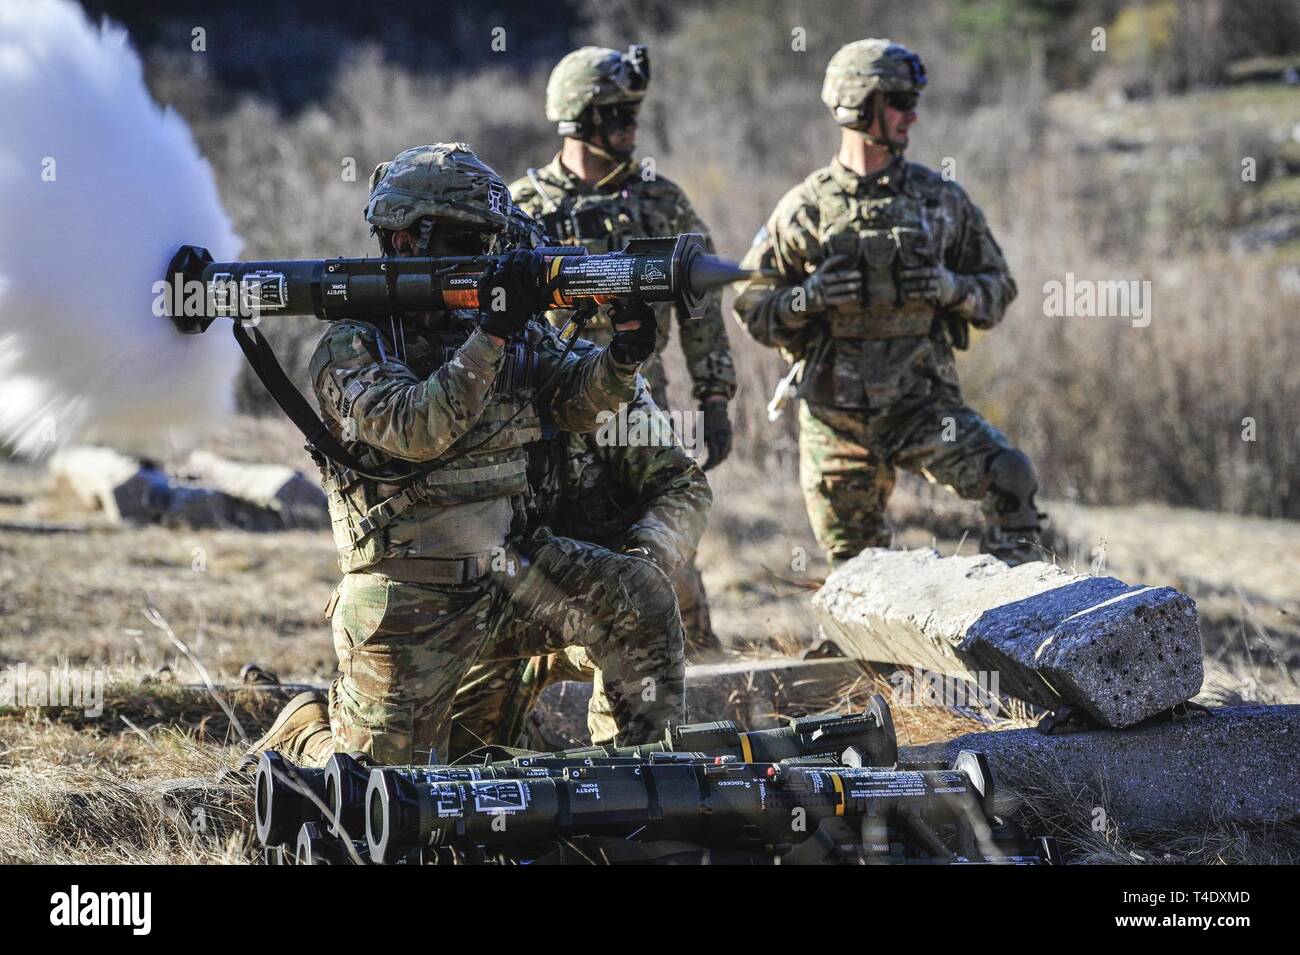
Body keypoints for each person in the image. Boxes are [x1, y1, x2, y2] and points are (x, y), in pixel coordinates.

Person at [245, 143, 684, 768]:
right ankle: (307, 732)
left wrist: (623, 356)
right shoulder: (350, 345)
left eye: (490, 242)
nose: (484, 258)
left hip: (508, 577)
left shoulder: (502, 324)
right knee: (384, 795)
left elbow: (573, 403)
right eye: (465, 240)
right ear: (402, 240)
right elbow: (417, 427)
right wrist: (493, 334)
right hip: (405, 601)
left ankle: (638, 786)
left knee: (639, 598)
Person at [733, 39, 1044, 568]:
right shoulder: (804, 209)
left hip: (922, 407)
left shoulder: (940, 200)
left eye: (913, 100)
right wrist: (806, 300)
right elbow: (751, 304)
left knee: (1009, 479)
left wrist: (952, 288)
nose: (912, 115)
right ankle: (870, 650)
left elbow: (998, 289)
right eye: (900, 100)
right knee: (854, 569)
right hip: (837, 420)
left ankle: (1023, 626)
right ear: (858, 105)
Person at [510, 44, 734, 653]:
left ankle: (698, 668)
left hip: (641, 404)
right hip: (549, 409)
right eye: (617, 116)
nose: (632, 129)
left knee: (664, 534)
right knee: (552, 546)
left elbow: (702, 305)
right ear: (578, 120)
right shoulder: (522, 209)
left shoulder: (660, 201)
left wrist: (715, 395)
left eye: (634, 114)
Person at [450, 372, 712, 756]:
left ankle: (635, 788)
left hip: (601, 609)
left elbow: (684, 488)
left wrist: (641, 562)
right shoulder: (452, 386)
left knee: (631, 766)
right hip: (494, 611)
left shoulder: (593, 380)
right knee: (461, 761)